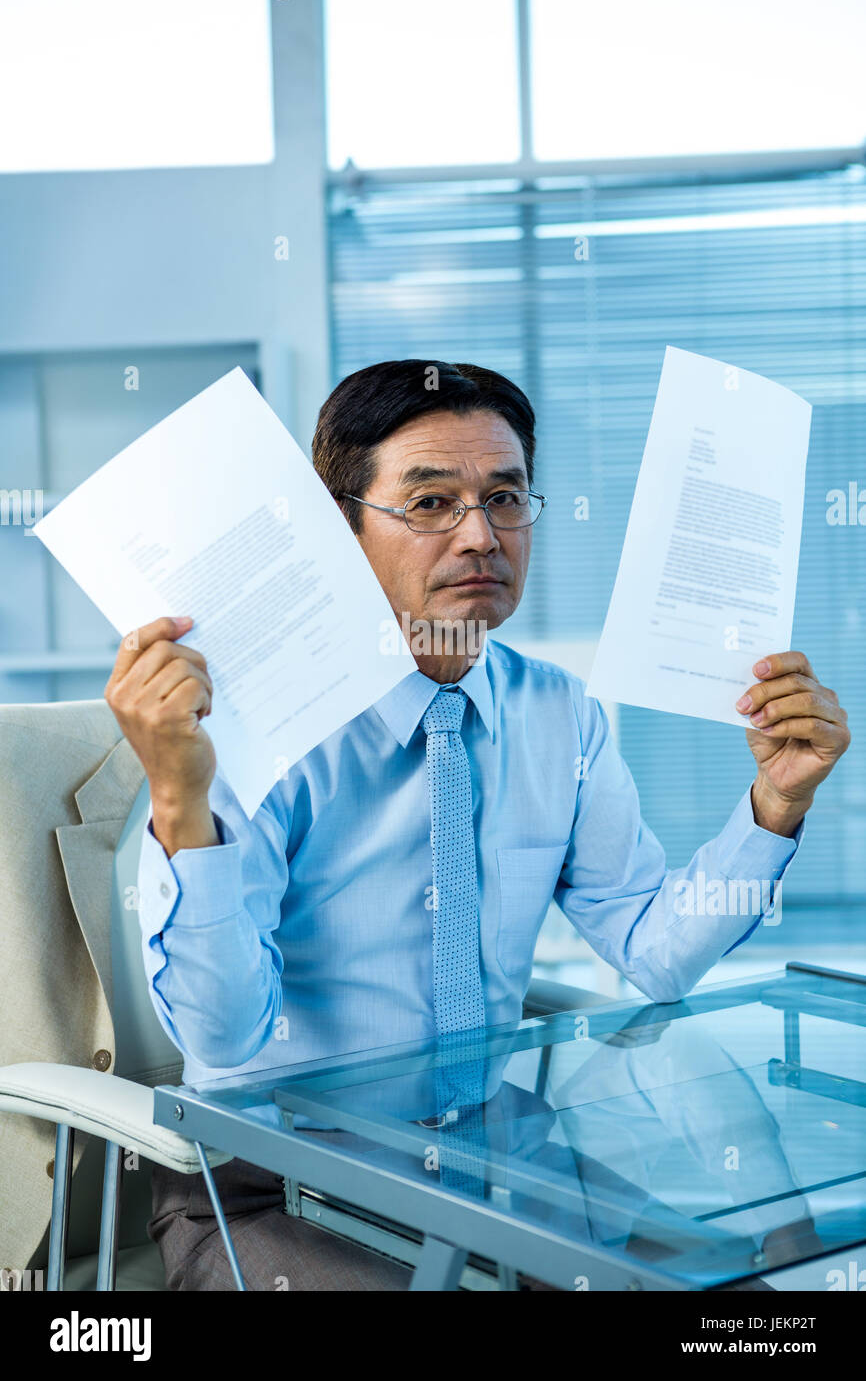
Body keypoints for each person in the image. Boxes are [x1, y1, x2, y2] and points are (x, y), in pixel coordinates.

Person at [105, 360, 849, 1290]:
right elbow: (227, 1039)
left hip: (488, 1154)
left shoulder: (557, 715)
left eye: (505, 497)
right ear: (342, 527)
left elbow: (655, 954)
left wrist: (777, 805)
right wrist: (180, 797)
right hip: (271, 1183)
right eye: (429, 504)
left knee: (734, 1292)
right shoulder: (263, 733)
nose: (480, 536)